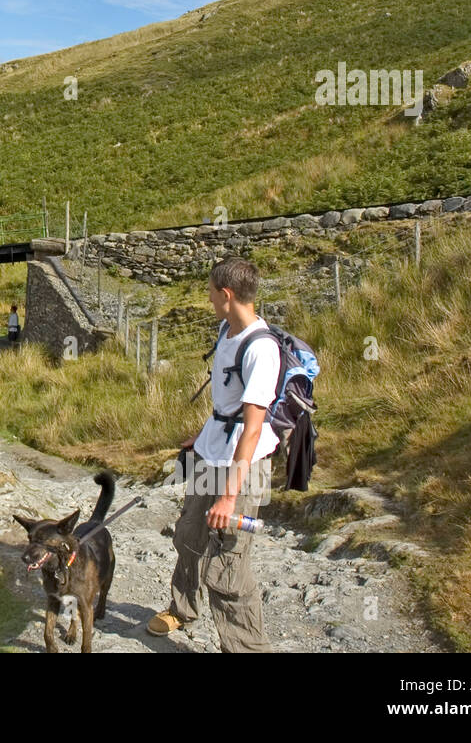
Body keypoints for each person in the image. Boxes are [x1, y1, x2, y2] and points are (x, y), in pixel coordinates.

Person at [147, 258, 279, 652]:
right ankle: (182, 609)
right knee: (189, 532)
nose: (207, 300)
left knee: (228, 562)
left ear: (226, 295)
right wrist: (200, 437)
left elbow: (252, 428)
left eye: (209, 293)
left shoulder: (262, 350)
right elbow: (226, 403)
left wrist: (228, 496)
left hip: (244, 465)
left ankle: (245, 647)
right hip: (211, 449)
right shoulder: (226, 329)